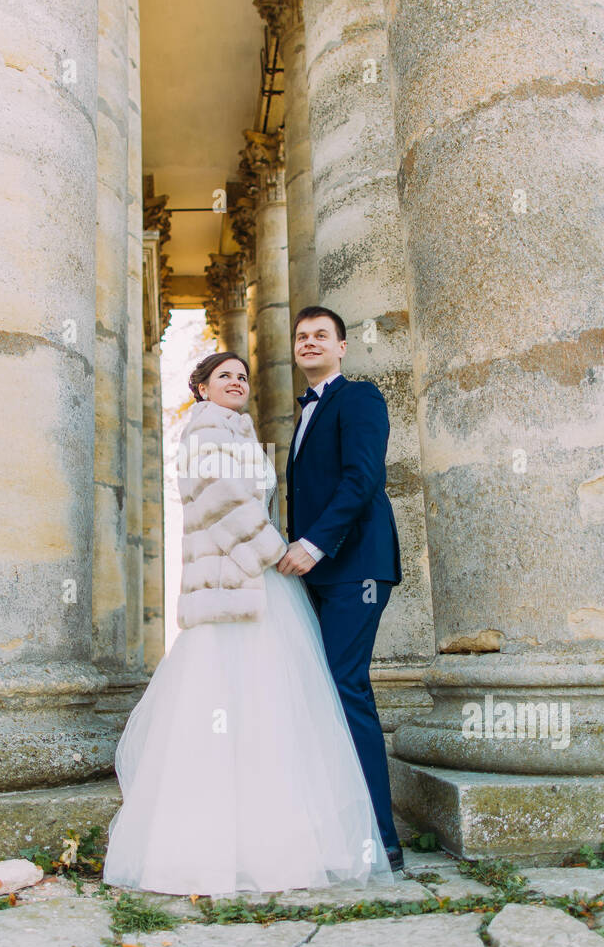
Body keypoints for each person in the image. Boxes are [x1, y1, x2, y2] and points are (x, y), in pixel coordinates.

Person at [102, 349, 397, 897]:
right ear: (202, 388)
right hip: (234, 585)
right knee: (237, 704)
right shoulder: (205, 431)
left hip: (250, 583)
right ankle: (215, 848)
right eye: (224, 376)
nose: (236, 382)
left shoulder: (237, 430)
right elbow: (225, 506)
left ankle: (271, 840)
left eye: (242, 375)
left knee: (266, 711)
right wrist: (277, 552)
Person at [278, 306, 404, 872]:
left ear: (342, 347)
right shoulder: (303, 413)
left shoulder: (359, 398)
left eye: (320, 336)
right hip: (321, 572)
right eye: (302, 337)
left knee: (346, 688)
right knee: (326, 691)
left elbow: (362, 478)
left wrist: (313, 544)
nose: (309, 343)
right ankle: (339, 829)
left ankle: (383, 841)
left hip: (357, 567)